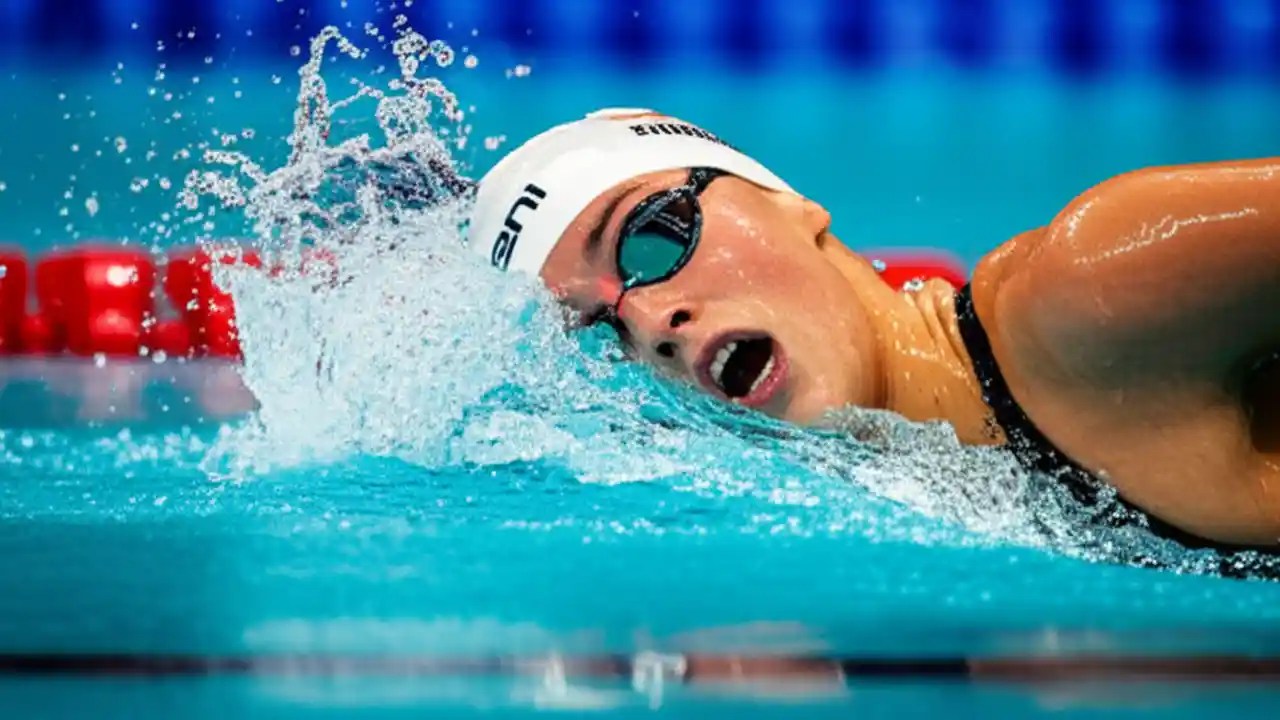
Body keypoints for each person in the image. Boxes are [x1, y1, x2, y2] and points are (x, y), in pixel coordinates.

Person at [466, 108, 1280, 575]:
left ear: (792, 204)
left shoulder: (1091, 293)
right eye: (597, 333)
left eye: (652, 237)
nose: (649, 326)